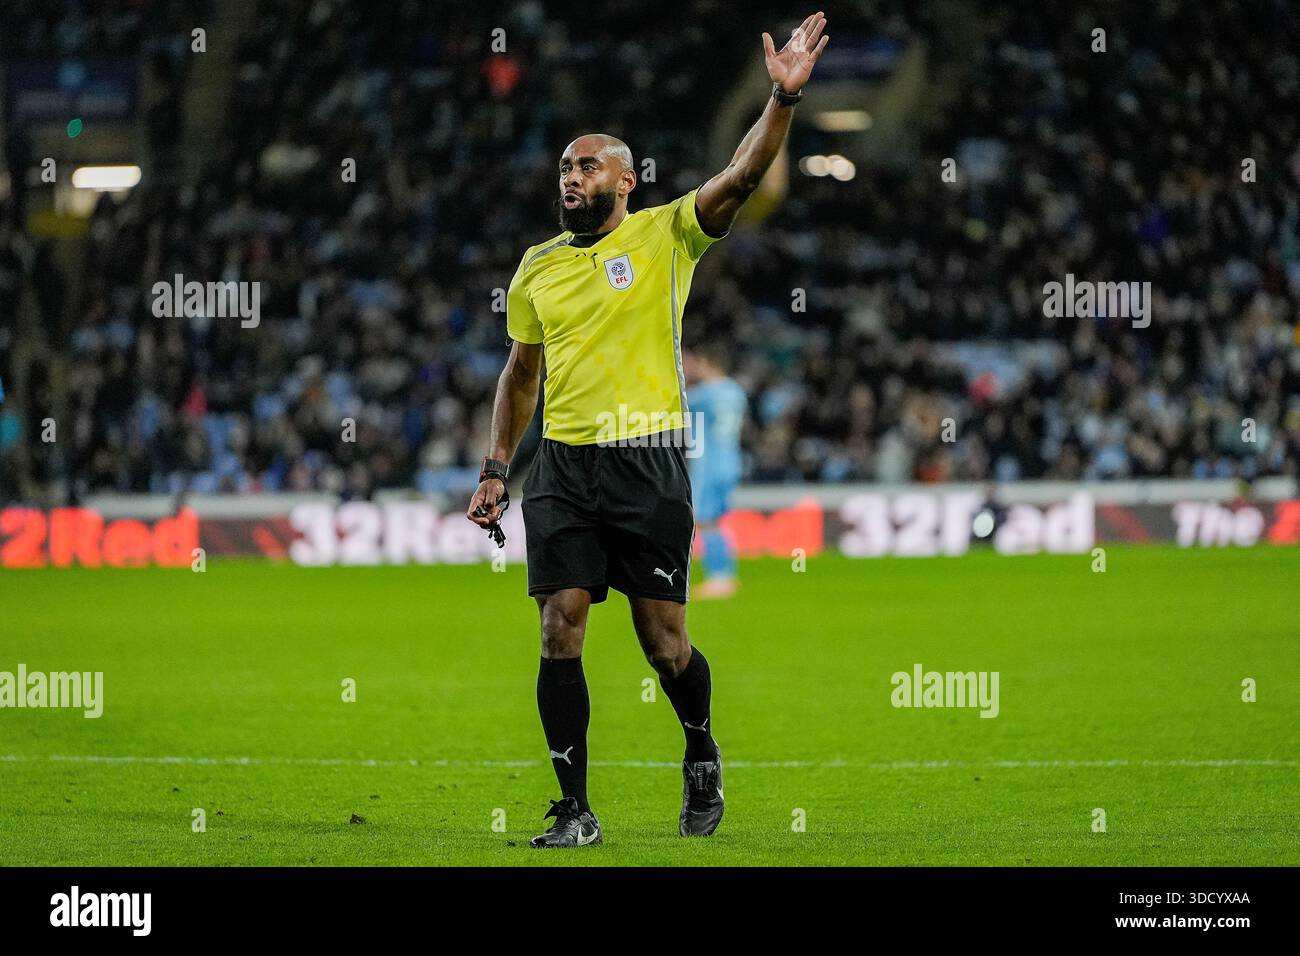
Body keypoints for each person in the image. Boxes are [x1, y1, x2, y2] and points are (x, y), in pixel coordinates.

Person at [467, 11, 829, 848]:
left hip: (648, 467)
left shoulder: (669, 235)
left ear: (625, 181)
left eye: (587, 164)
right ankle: (575, 809)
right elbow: (521, 376)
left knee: (666, 647)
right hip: (562, 467)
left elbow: (740, 176)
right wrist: (495, 469)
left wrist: (781, 100)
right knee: (560, 624)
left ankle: (700, 751)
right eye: (563, 164)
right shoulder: (537, 267)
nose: (570, 174)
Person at [684, 342, 747, 598]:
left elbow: (674, 403)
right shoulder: (735, 390)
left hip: (709, 462)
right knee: (715, 520)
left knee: (706, 520)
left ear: (707, 363)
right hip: (731, 459)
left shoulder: (705, 394)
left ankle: (721, 578)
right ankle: (724, 575)